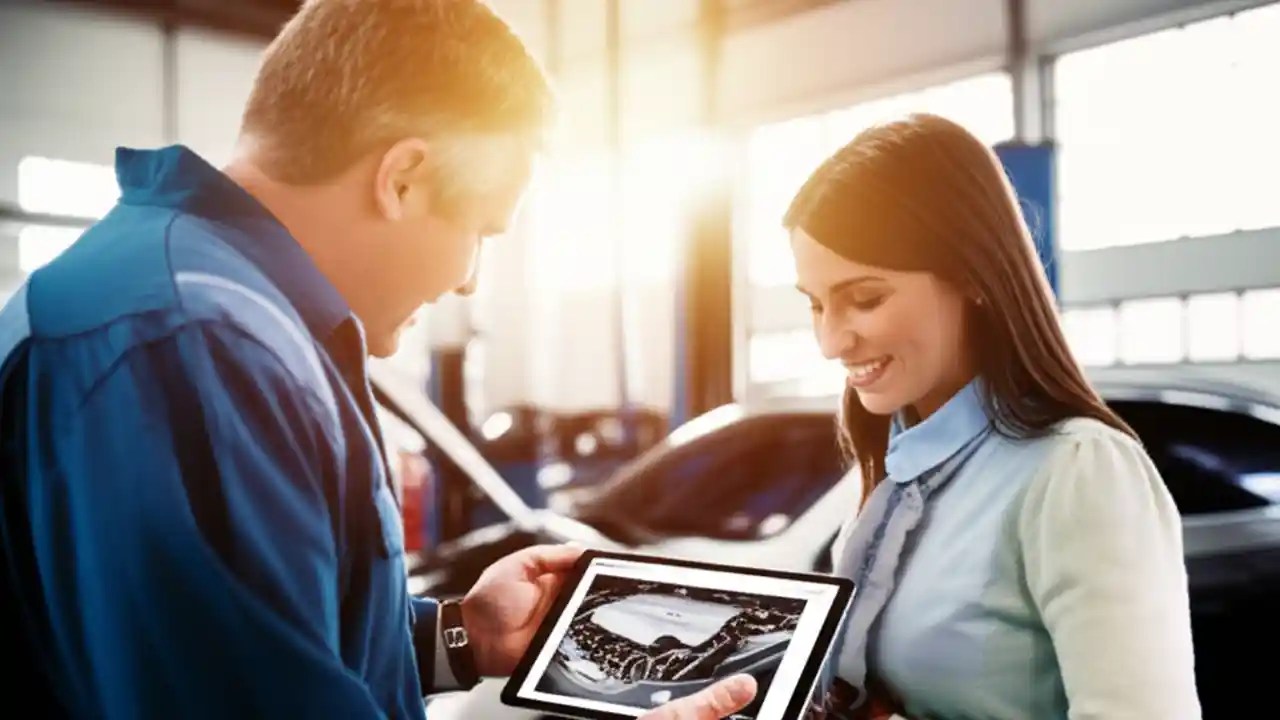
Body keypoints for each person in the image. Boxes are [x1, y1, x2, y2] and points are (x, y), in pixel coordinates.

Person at [0, 1, 755, 718]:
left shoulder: (197, 304)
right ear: (403, 178)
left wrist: (463, 638)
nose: (468, 279)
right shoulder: (201, 342)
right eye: (482, 231)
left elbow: (270, 650)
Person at [784, 114, 1201, 719]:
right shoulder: (891, 478)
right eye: (816, 305)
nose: (830, 341)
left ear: (972, 276)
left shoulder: (1076, 471)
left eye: (865, 299)